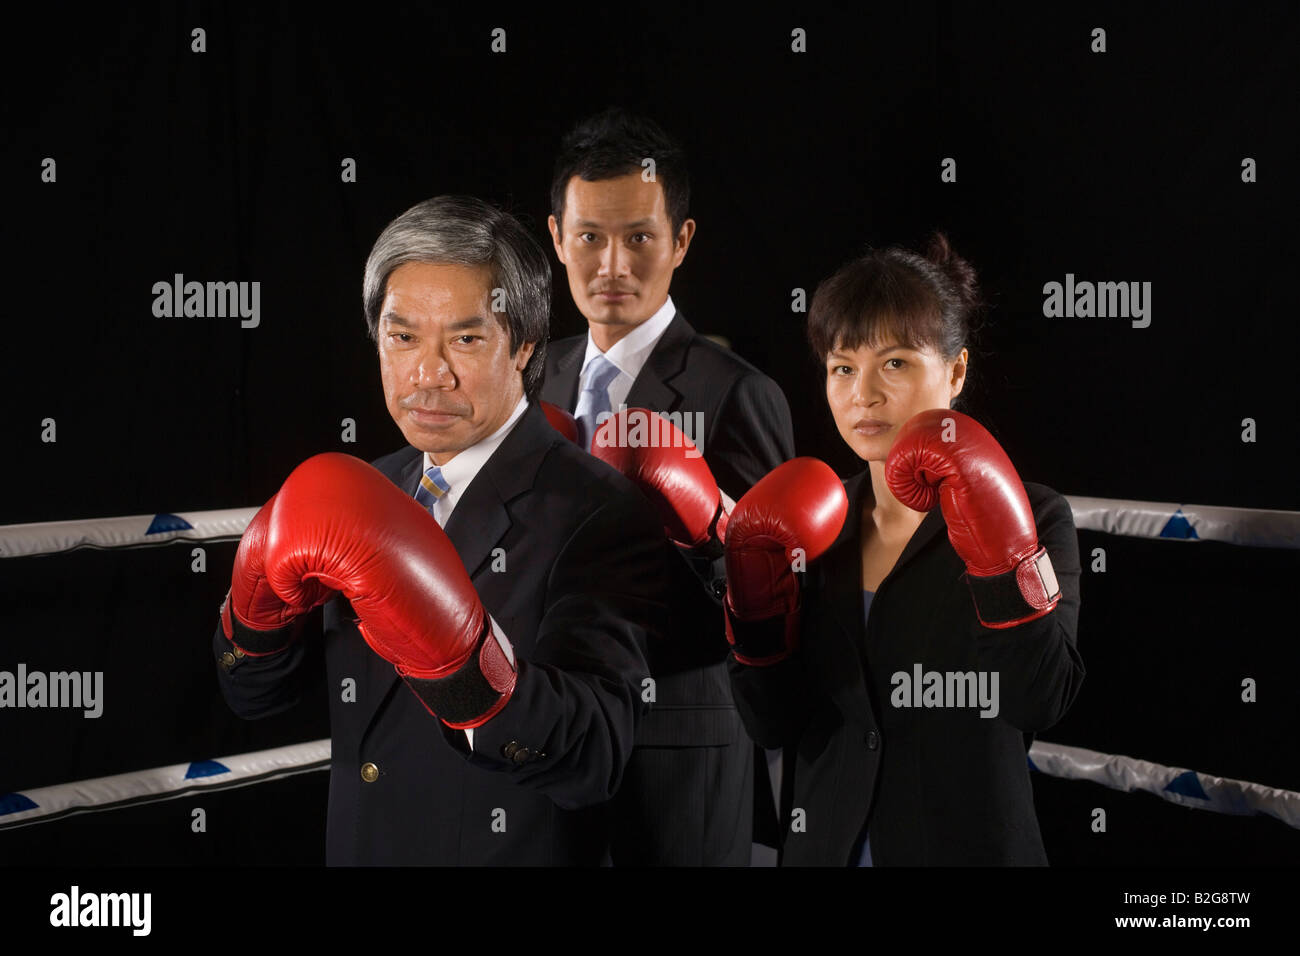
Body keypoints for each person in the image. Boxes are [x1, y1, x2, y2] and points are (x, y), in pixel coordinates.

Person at [211, 195, 673, 865]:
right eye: (403, 337)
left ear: (524, 346)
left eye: (465, 337)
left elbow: (593, 759)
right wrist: (255, 617)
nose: (428, 374)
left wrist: (467, 672)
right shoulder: (366, 490)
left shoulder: (599, 510)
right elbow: (252, 696)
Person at [725, 233, 1086, 865]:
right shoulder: (809, 523)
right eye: (843, 367)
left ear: (956, 370)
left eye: (895, 362)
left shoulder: (1035, 514)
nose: (863, 393)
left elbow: (1040, 698)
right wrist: (753, 605)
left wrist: (1002, 552)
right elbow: (770, 724)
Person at [540, 108, 796, 865]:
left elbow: (769, 613)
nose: (612, 265)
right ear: (556, 236)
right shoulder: (527, 378)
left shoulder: (739, 394)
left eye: (639, 238)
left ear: (681, 242)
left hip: (679, 746)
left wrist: (707, 529)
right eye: (589, 237)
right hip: (549, 735)